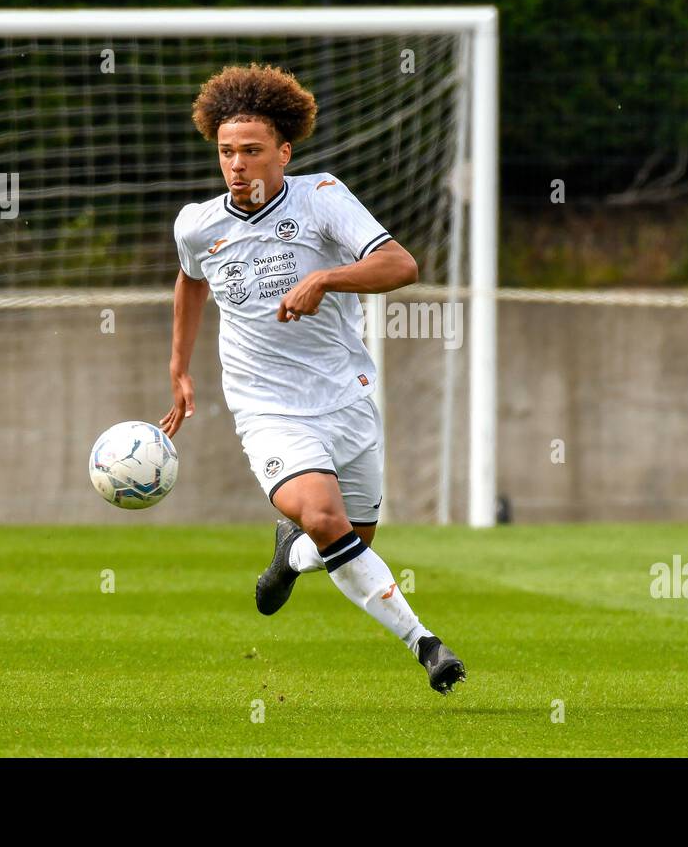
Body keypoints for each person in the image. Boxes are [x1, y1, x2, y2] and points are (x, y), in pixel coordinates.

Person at [159, 63, 466, 692]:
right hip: (267, 408)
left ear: (284, 152)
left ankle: (290, 555)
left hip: (346, 399)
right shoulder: (198, 224)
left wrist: (326, 278)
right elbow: (190, 282)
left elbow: (400, 265)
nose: (237, 164)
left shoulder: (321, 198)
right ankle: (426, 644)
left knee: (349, 539)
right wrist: (179, 367)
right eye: (226, 151)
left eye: (252, 150)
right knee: (326, 519)